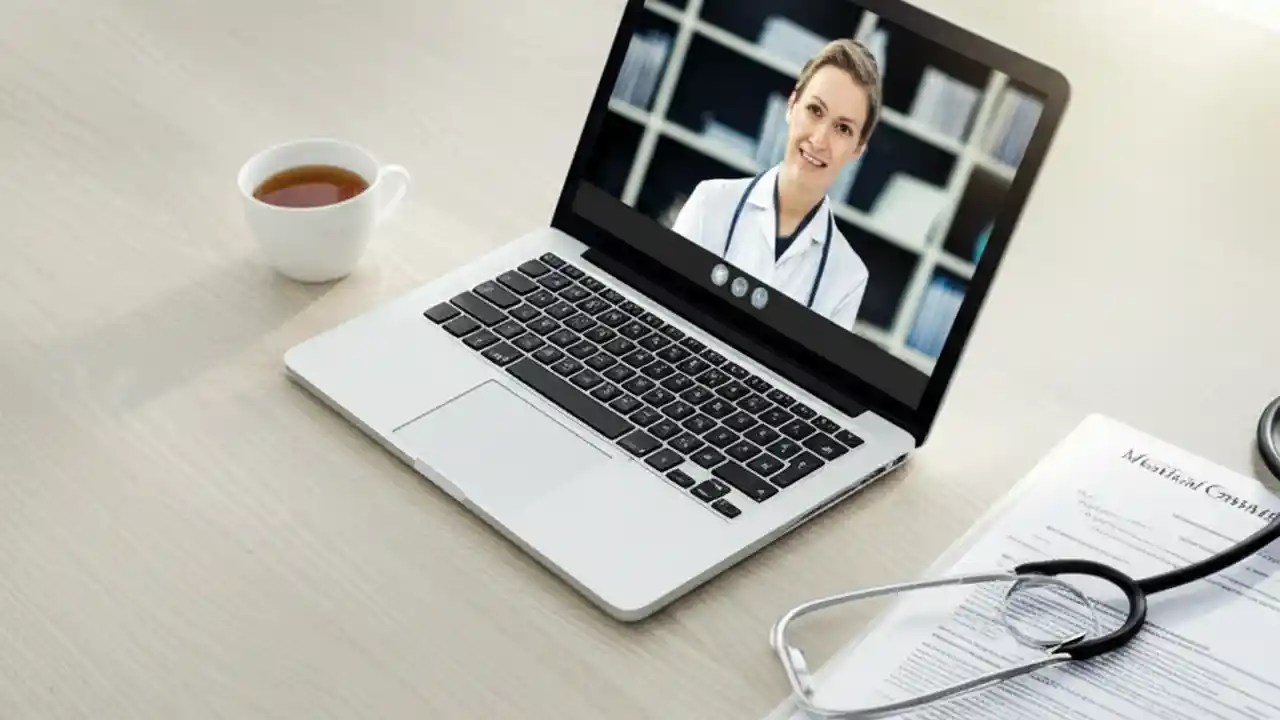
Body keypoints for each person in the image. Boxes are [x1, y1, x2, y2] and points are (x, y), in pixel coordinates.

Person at [672, 38, 881, 330]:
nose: (819, 140)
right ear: (791, 106)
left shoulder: (848, 277)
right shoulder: (710, 202)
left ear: (857, 150)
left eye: (843, 128)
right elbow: (662, 311)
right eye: (815, 111)